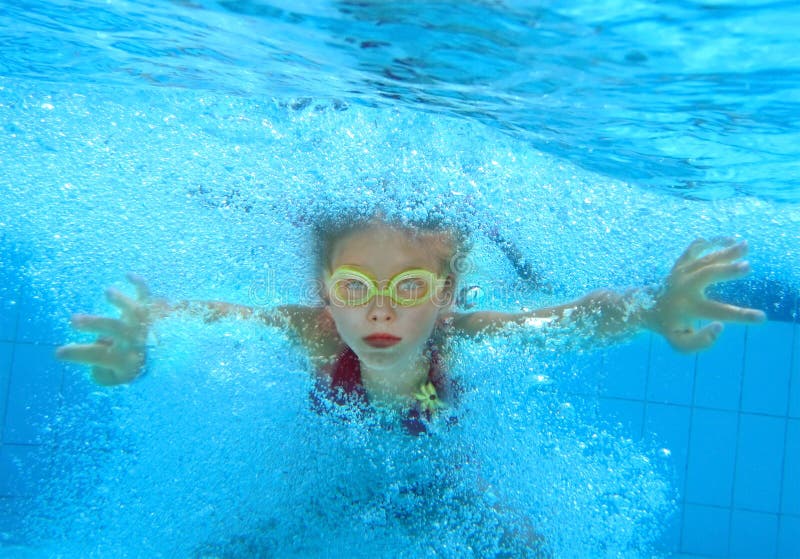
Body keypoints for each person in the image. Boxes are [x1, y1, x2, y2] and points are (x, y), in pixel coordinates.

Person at [56, 211, 765, 412]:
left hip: (443, 469)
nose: (382, 309)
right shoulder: (315, 332)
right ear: (327, 291)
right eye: (358, 286)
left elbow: (571, 318)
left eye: (412, 287)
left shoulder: (458, 340)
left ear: (448, 296)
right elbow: (211, 317)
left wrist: (649, 311)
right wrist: (141, 346)